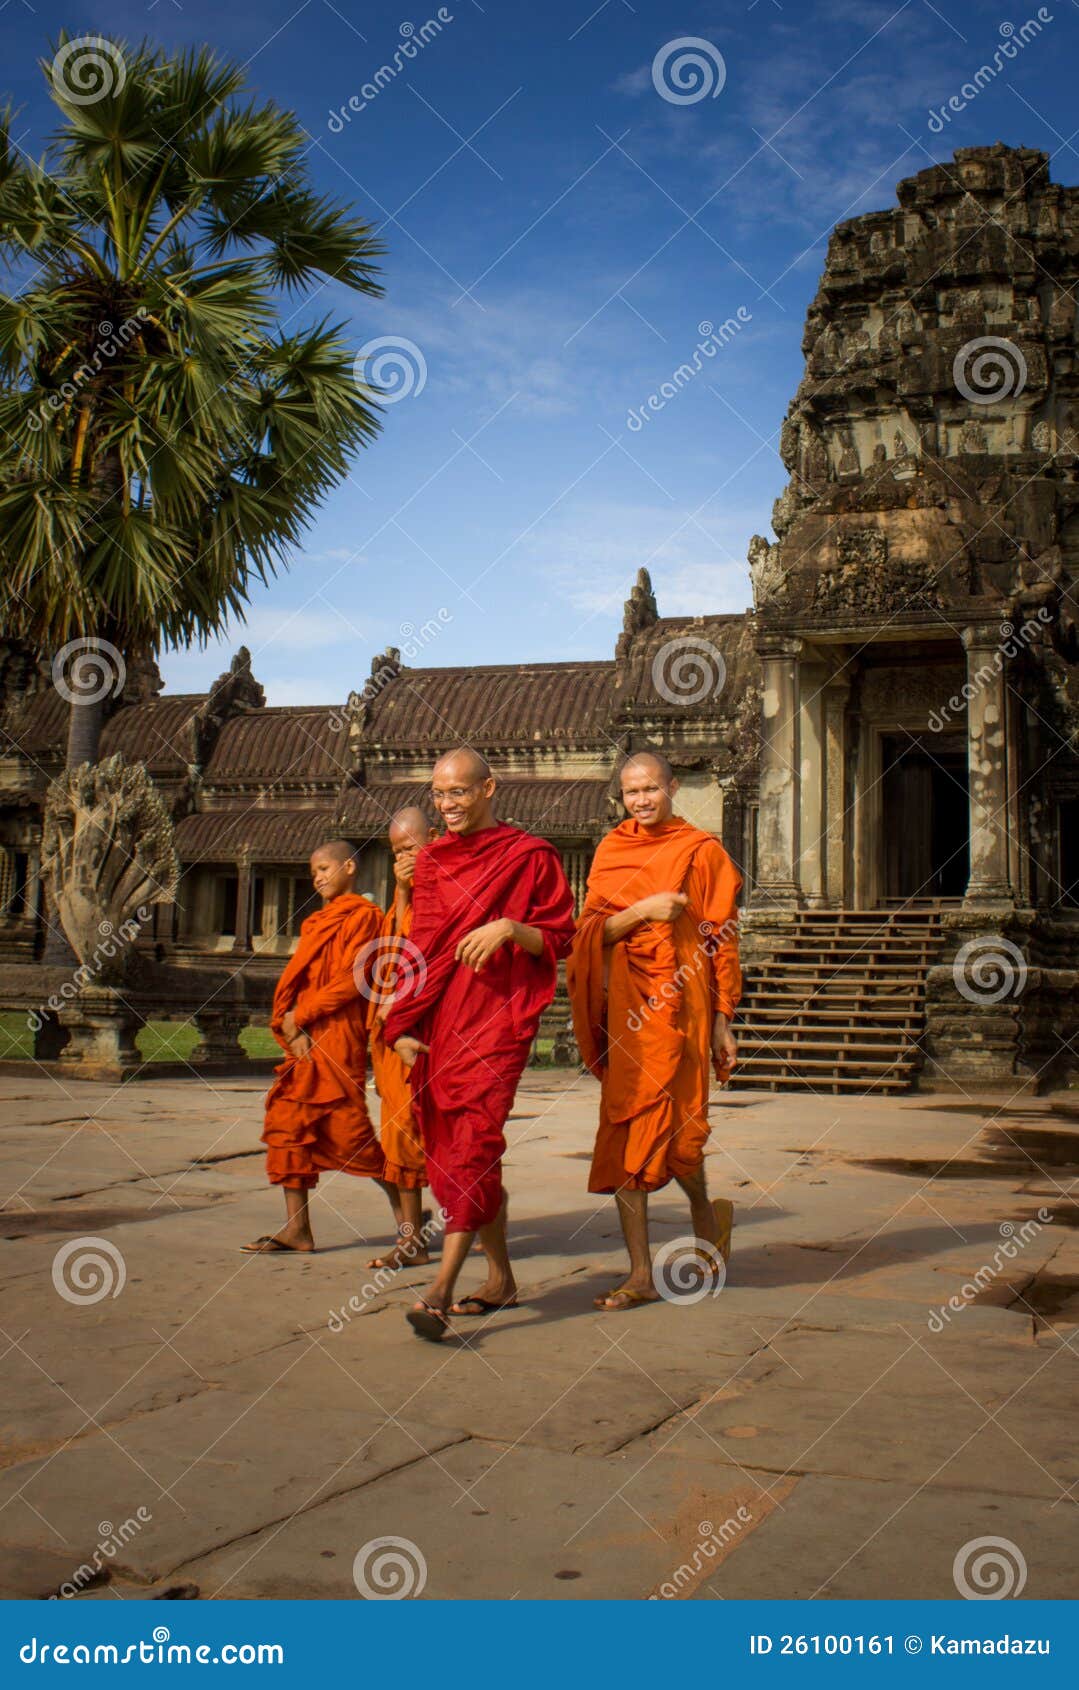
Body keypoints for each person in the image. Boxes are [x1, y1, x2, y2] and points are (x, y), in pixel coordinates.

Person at [382, 748, 576, 1341]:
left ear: (489, 788)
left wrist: (511, 928)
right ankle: (502, 1281)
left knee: (473, 1144)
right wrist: (402, 1026)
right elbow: (424, 950)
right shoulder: (435, 862)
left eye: (459, 793)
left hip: (497, 1021)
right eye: (439, 795)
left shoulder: (529, 857)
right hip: (444, 1024)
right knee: (465, 1152)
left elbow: (562, 937)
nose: (447, 805)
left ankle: (438, 1291)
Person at [567, 752, 741, 1311]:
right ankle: (641, 1272)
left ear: (672, 787)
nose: (640, 800)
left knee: (682, 1137)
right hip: (629, 1010)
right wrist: (644, 910)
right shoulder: (613, 849)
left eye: (650, 789)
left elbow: (722, 939)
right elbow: (590, 934)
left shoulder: (701, 851)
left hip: (686, 1005)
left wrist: (723, 1021)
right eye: (631, 792)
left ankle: (705, 1214)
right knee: (625, 1130)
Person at [242, 840, 385, 1254]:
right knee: (288, 1129)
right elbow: (300, 979)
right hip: (303, 1040)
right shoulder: (317, 923)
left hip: (337, 1035)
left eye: (325, 868)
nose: (318, 877)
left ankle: (408, 1217)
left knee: (353, 1137)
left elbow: (353, 979)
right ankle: (297, 1229)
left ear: (350, 867)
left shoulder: (365, 917)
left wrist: (299, 1016)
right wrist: (292, 1024)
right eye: (313, 872)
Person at [366, 806, 439, 1270]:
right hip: (397, 1032)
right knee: (400, 1135)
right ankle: (411, 1239)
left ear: (432, 838)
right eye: (396, 851)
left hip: (435, 1027)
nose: (404, 857)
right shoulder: (401, 894)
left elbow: (437, 949)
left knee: (459, 1139)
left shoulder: (450, 881)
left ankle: (479, 1235)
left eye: (411, 847)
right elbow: (395, 949)